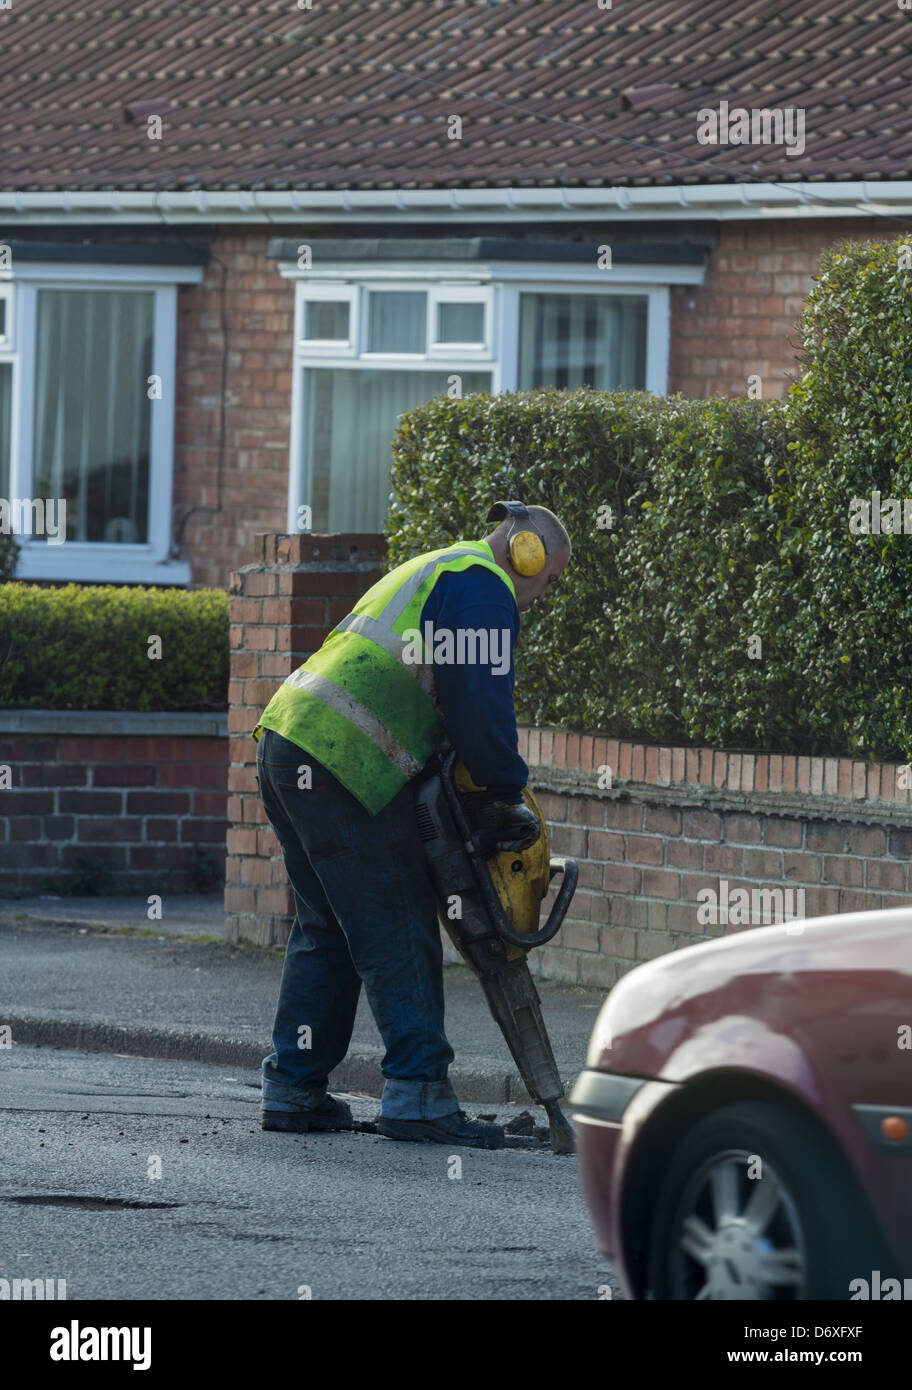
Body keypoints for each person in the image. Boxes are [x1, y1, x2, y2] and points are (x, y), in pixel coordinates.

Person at [253, 501, 571, 1148]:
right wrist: (506, 794)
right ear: (529, 554)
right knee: (398, 918)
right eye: (550, 581)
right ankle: (418, 1094)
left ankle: (294, 1086)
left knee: (328, 924)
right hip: (344, 759)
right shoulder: (484, 588)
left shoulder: (441, 568)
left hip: (289, 742)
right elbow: (480, 706)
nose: (544, 596)